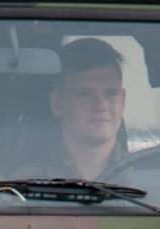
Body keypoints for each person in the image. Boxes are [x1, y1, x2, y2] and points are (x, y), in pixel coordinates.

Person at [23, 37, 129, 180]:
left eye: (111, 93)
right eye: (84, 94)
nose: (100, 105)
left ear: (122, 101)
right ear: (57, 104)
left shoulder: (156, 177)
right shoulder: (26, 183)